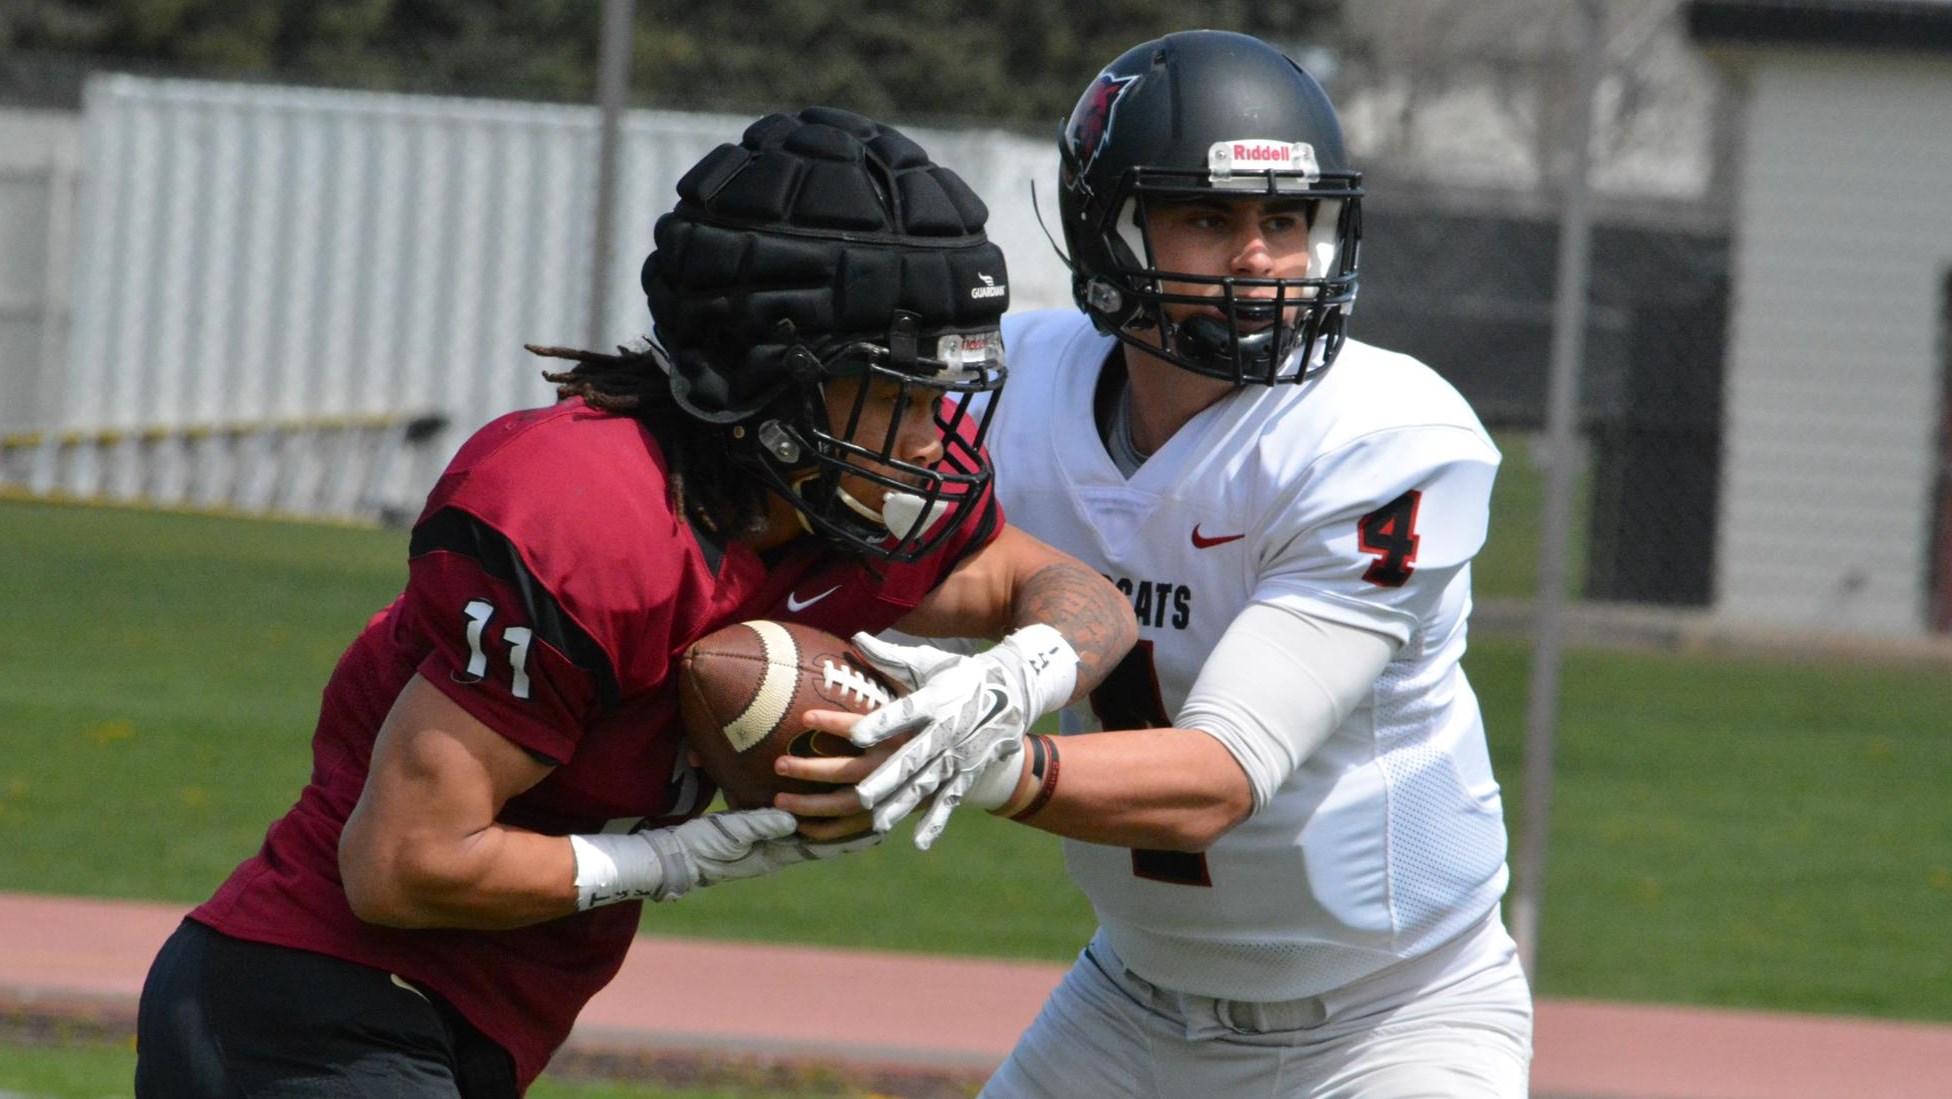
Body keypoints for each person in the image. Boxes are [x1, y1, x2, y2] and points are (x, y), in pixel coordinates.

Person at [133, 105, 1136, 1099]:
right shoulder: (593, 515)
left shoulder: (827, 514)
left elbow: (1080, 597)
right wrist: (665, 858)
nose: (930, 438)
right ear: (776, 380)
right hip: (308, 1002)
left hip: (453, 1027)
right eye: (900, 396)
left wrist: (1013, 677)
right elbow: (398, 861)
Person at [783, 30, 1533, 1099]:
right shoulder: (1011, 389)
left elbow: (1215, 775)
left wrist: (974, 754)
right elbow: (824, 556)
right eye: (1208, 216)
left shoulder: (1384, 436)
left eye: (1285, 218)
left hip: (1392, 1020)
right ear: (1109, 230)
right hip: (1127, 1006)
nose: (1260, 258)